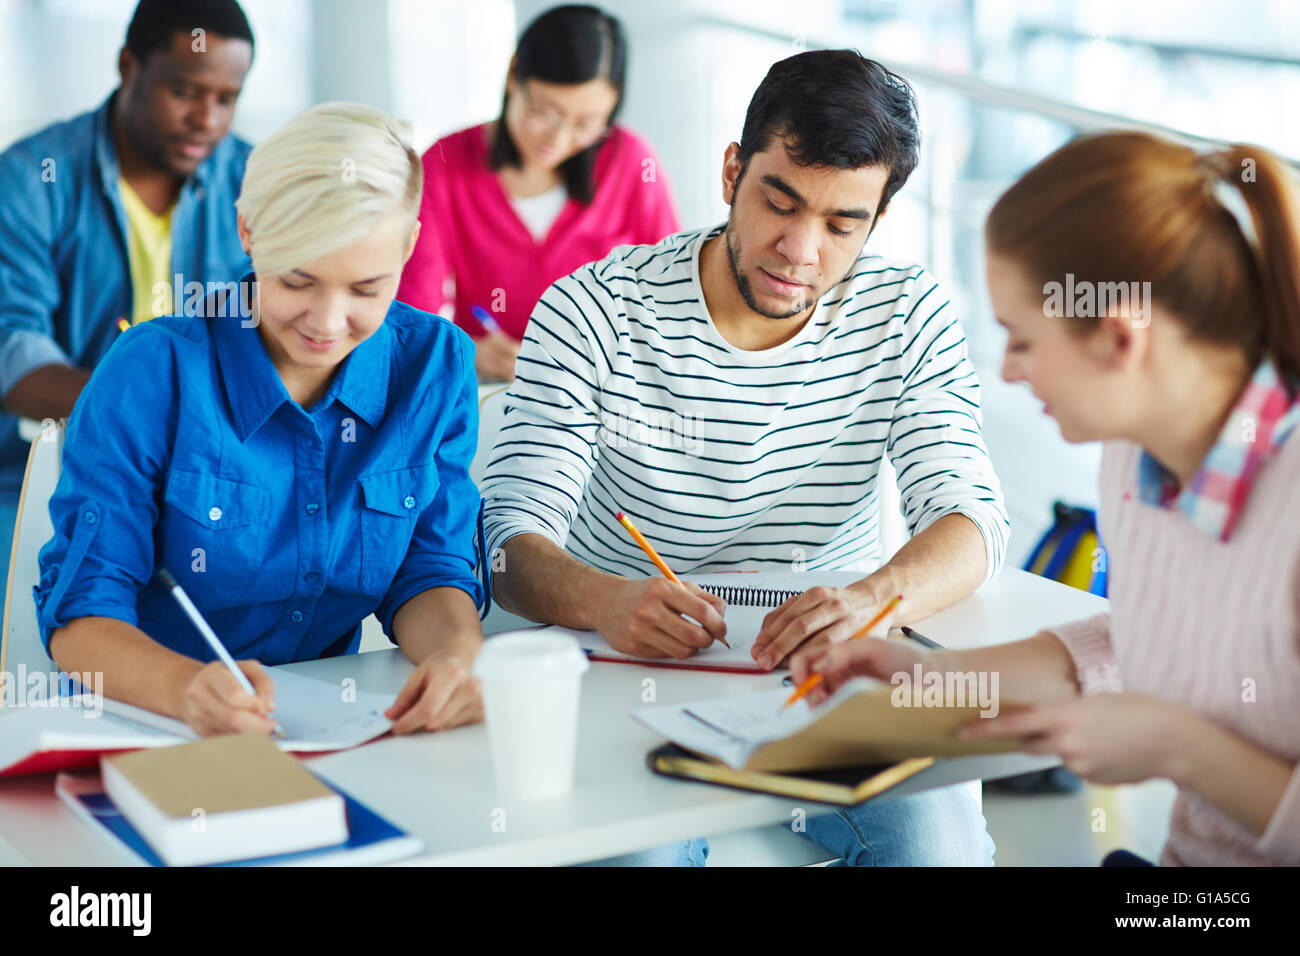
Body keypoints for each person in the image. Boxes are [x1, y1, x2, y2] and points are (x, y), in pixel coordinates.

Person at [482, 49, 1010, 865]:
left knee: (938, 849)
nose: (799, 251)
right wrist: (604, 600)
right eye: (780, 201)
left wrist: (873, 597)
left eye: (842, 225)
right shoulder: (593, 311)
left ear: (878, 218)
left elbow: (970, 517)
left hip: (829, 672)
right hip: (626, 663)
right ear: (733, 169)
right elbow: (511, 548)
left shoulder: (910, 312)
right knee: (641, 857)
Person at [805, 131, 1300, 866]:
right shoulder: (1133, 460)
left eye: (1021, 339)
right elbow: (1135, 639)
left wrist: (1178, 748)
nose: (1006, 372)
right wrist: (929, 678)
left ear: (1118, 338)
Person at [36, 103, 487, 737]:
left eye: (365, 289)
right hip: (147, 722)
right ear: (248, 233)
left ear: (410, 244)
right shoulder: (152, 371)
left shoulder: (435, 365)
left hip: (334, 730)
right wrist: (186, 690)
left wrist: (456, 662)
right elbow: (83, 614)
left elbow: (428, 569)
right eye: (297, 281)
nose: (328, 323)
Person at [0, 0, 255, 596]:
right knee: (35, 638)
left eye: (226, 98)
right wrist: (156, 413)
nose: (206, 120)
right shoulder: (32, 178)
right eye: (185, 91)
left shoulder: (255, 181)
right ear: (128, 66)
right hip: (44, 472)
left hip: (206, 472)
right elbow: (14, 356)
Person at [397, 4, 679, 382]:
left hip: (609, 388)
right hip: (493, 390)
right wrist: (467, 352)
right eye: (546, 112)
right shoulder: (444, 165)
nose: (559, 138)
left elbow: (671, 297)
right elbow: (412, 319)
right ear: (514, 75)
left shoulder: (631, 163)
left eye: (586, 124)